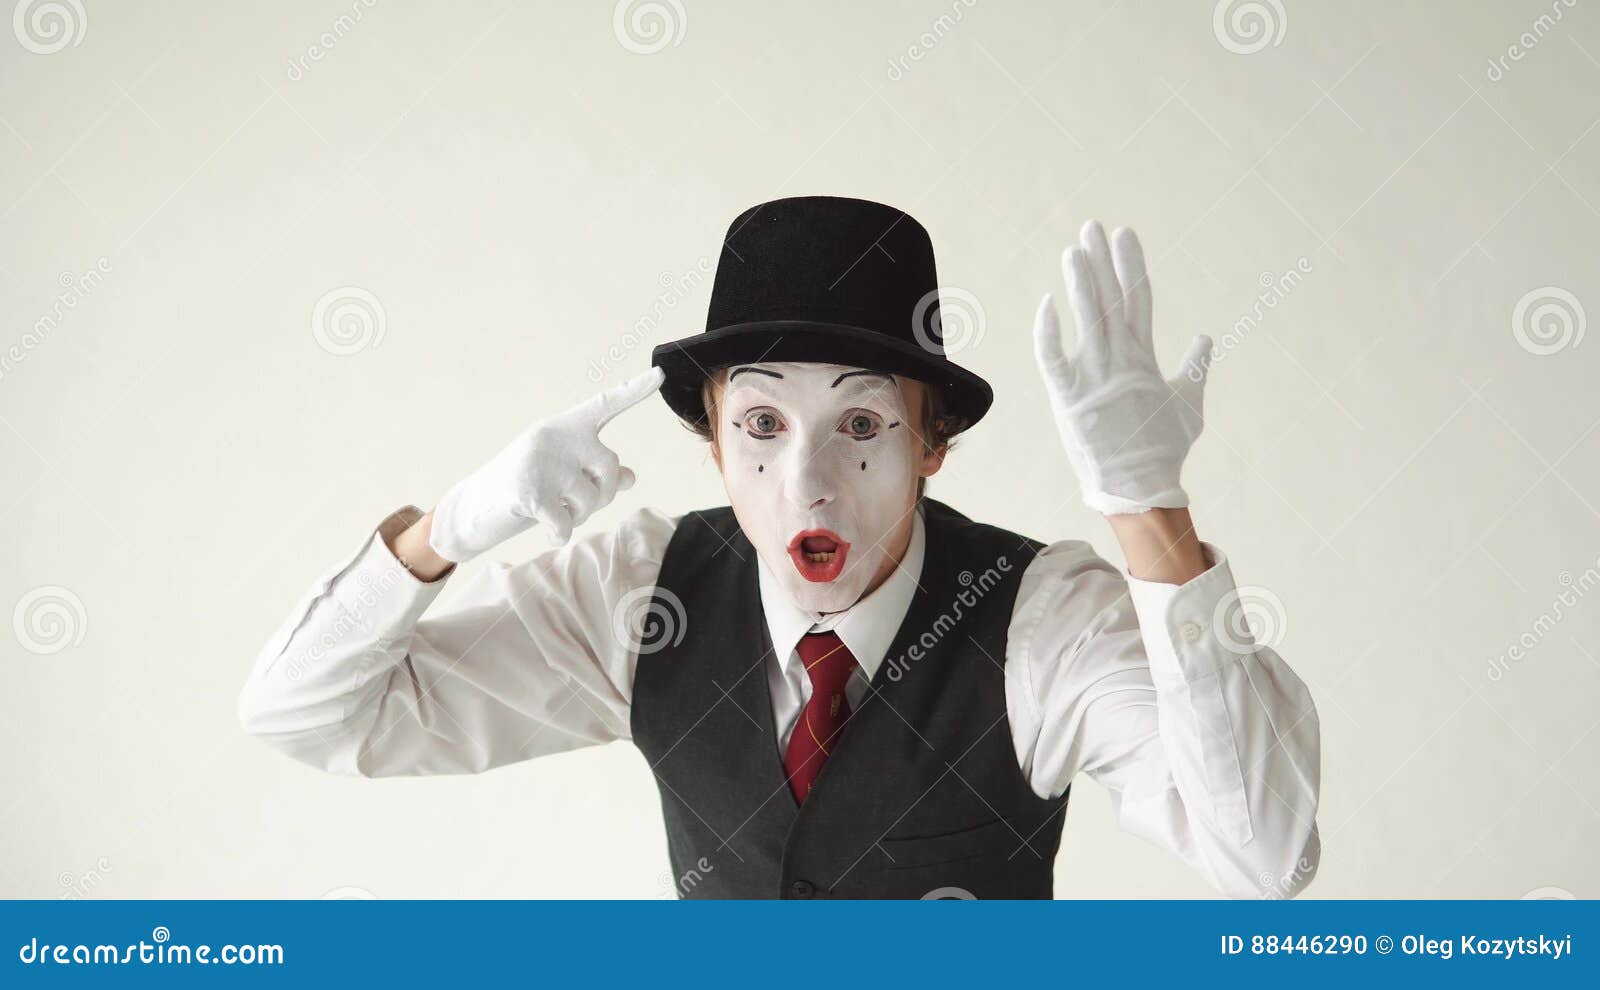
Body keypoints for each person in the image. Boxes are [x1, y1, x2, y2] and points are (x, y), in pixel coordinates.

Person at [238, 196, 1320, 899]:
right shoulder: (638, 595)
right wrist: (444, 535)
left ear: (930, 444)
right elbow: (304, 714)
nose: (806, 481)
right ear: (711, 441)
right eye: (760, 425)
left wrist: (1148, 508)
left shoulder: (1040, 617)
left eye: (860, 426)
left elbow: (1265, 858)